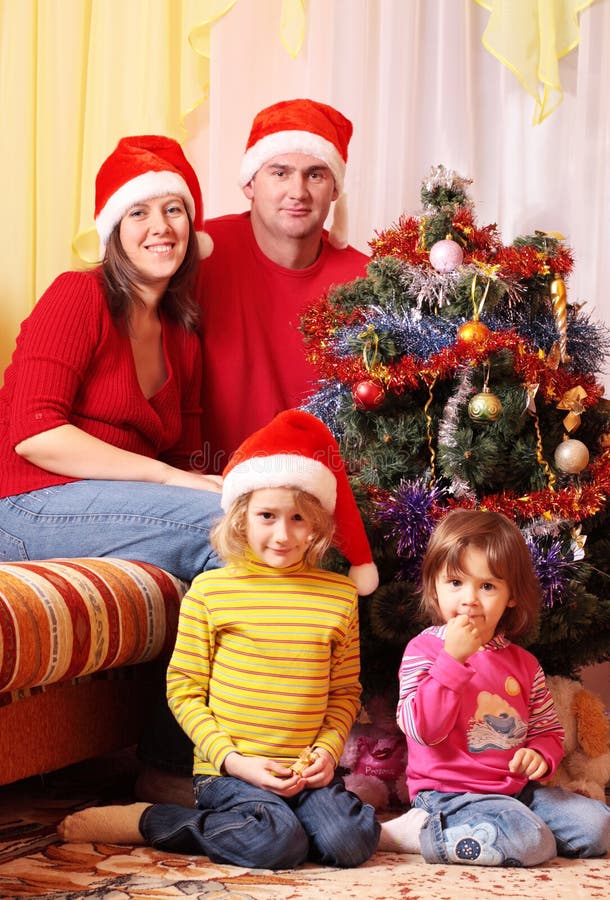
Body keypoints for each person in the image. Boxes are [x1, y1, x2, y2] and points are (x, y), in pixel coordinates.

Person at [58, 409, 383, 869]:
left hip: (306, 770)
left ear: (318, 525)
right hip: (230, 770)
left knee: (351, 844)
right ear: (241, 520)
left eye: (298, 519)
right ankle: (150, 821)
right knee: (277, 847)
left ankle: (289, 822)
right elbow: (184, 689)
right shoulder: (212, 591)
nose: (283, 534)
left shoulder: (338, 596)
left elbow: (344, 692)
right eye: (267, 516)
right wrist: (233, 762)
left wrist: (329, 754)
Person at [0, 135, 223, 581]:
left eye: (173, 210)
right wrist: (166, 479)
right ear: (116, 231)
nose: (160, 226)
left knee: (264, 513)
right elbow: (35, 433)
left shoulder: (183, 336)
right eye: (139, 212)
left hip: (112, 504)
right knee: (229, 526)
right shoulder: (78, 294)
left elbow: (185, 461)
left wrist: (227, 482)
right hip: (27, 504)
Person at [378, 509, 610, 866]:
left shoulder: (524, 664)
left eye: (487, 586)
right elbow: (423, 729)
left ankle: (508, 829)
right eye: (456, 583)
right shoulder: (424, 651)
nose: (470, 599)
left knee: (599, 826)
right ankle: (422, 832)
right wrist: (452, 662)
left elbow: (547, 731)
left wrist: (540, 755)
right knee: (531, 843)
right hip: (449, 795)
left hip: (517, 790)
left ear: (511, 596)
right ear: (434, 587)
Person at [197, 98, 370, 474]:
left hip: (320, 492)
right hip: (205, 484)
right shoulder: (199, 252)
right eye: (279, 173)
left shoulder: (366, 281)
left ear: (335, 189)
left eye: (315, 174)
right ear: (249, 184)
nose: (298, 192)